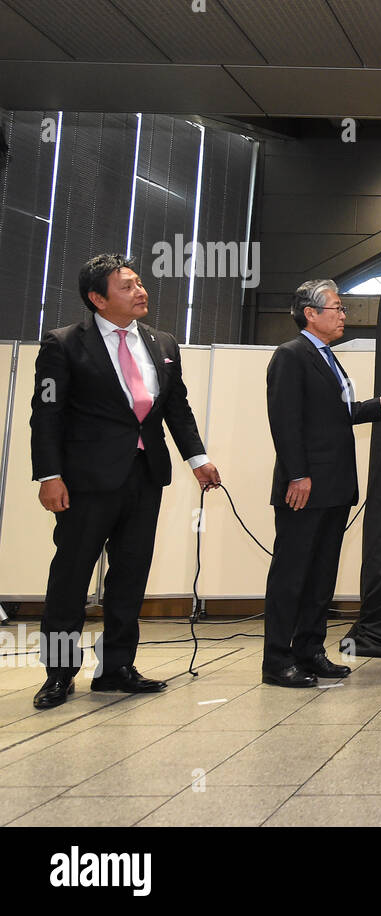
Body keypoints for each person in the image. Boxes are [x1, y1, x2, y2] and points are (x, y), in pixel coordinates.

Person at [30, 253, 221, 709]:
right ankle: (58, 674)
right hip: (84, 482)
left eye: (140, 283)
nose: (141, 292)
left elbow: (177, 409)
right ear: (98, 299)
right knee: (71, 577)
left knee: (130, 574)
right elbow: (46, 415)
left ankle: (116, 667)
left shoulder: (163, 343)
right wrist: (49, 476)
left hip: (144, 475)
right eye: (127, 286)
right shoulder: (63, 345)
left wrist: (198, 458)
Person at [263, 279, 381, 688]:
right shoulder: (291, 356)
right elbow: (286, 422)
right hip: (305, 485)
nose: (344, 315)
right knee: (292, 573)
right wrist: (297, 474)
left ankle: (310, 651)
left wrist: (376, 405)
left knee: (321, 573)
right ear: (311, 313)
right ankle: (277, 659)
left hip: (334, 484)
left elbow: (334, 413)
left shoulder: (327, 357)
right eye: (338, 308)